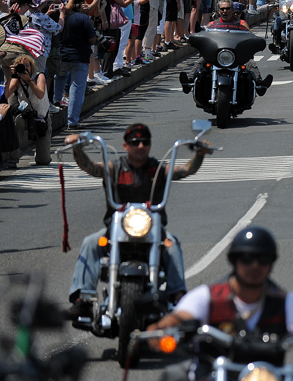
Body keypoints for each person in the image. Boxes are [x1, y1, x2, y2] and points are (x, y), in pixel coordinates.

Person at [150, 226, 293, 379]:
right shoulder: (209, 297)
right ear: (234, 261)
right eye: (247, 258)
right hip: (211, 374)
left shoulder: (285, 302)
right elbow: (179, 317)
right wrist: (162, 330)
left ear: (271, 263)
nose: (255, 265)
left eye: (263, 259)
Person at [67, 123, 212, 315]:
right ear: (126, 146)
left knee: (172, 244)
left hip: (154, 232)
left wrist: (199, 154)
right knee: (91, 242)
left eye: (145, 142)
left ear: (150, 145)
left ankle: (177, 296)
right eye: (135, 142)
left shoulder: (159, 170)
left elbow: (187, 169)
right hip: (115, 231)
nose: (141, 146)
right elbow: (91, 168)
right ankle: (82, 298)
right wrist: (77, 148)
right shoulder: (115, 168)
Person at [52, 0, 96, 131]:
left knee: (59, 78)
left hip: (63, 55)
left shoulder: (60, 16)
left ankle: (56, 101)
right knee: (77, 89)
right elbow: (92, 39)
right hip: (80, 57)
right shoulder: (83, 19)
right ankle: (72, 121)